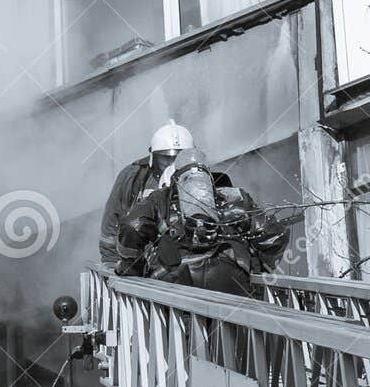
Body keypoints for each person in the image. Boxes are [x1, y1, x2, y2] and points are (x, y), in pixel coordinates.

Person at [115, 149, 290, 294]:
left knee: (179, 334)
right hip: (232, 280)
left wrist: (132, 269)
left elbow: (132, 226)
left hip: (173, 284)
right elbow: (275, 235)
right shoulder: (235, 197)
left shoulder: (159, 199)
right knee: (235, 333)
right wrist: (258, 268)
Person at [98, 121, 194, 267]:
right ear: (153, 157)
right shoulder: (133, 178)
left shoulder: (201, 180)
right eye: (166, 158)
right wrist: (112, 267)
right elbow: (110, 228)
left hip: (188, 264)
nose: (173, 164)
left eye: (180, 157)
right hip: (141, 267)